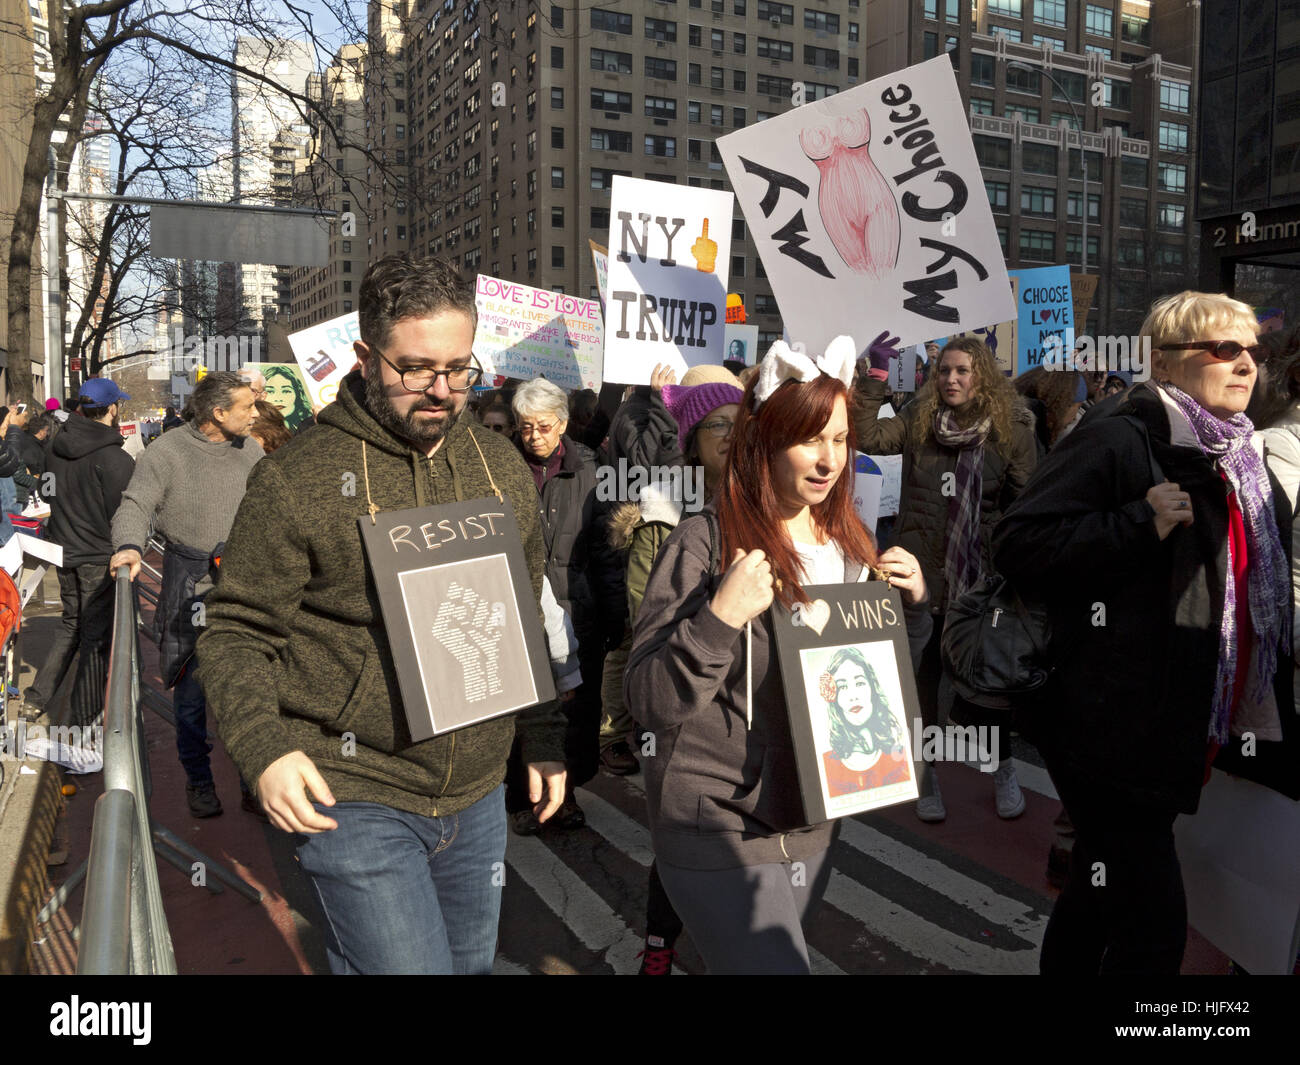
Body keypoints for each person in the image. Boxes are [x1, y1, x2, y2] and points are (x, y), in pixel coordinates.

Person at [196, 254, 565, 975]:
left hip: (479, 792)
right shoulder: (296, 478)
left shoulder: (499, 465)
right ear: (365, 357)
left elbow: (524, 607)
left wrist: (543, 733)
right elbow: (236, 629)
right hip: (356, 791)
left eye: (459, 368)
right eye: (417, 367)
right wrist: (264, 747)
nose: (441, 390)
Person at [993, 290, 1298, 974]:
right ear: (1163, 361)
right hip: (1107, 727)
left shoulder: (1242, 460)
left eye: (1253, 349)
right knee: (1155, 932)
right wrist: (1137, 522)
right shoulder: (1119, 434)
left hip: (1182, 726)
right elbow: (1018, 544)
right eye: (1222, 348)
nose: (1246, 362)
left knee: (1098, 893)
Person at [625, 337, 930, 974]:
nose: (828, 461)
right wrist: (718, 620)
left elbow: (887, 681)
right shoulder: (703, 543)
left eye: (841, 439)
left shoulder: (853, 542)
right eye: (809, 439)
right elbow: (648, 699)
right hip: (716, 819)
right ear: (765, 442)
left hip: (812, 815)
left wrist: (915, 606)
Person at [856, 334, 1037, 823]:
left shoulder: (1012, 430)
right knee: (924, 677)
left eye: (962, 371)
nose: (952, 379)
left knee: (988, 680)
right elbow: (868, 438)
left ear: (982, 376)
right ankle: (925, 772)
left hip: (983, 581)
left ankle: (1000, 768)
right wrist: (872, 378)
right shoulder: (918, 419)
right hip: (924, 574)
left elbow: (1028, 507)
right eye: (944, 371)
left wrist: (1006, 562)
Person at [606, 366, 744, 974]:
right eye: (719, 424)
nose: (735, 434)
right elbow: (647, 633)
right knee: (684, 837)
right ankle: (660, 946)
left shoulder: (777, 505)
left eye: (746, 422)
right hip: (688, 714)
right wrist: (715, 617)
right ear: (691, 439)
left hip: (749, 718)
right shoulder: (668, 514)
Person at [109, 372, 264, 818]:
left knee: (247, 688)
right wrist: (128, 545)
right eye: (246, 407)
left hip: (242, 580)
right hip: (188, 582)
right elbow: (136, 504)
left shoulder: (250, 450)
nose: (255, 414)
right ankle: (200, 781)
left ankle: (253, 781)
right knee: (191, 692)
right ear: (218, 413)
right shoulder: (166, 452)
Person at [508, 377, 625, 833]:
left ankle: (566, 795)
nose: (533, 436)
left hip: (578, 612)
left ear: (561, 424)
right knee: (524, 710)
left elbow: (608, 553)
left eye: (541, 426)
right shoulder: (505, 468)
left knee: (576, 711)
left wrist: (615, 615)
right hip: (519, 613)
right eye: (524, 427)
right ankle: (523, 797)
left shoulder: (592, 473)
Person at [22, 379, 135, 724]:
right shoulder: (115, 458)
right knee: (94, 638)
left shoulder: (54, 447)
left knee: (71, 626)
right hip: (97, 557)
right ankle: (83, 718)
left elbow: (48, 491)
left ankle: (36, 700)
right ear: (112, 409)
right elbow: (126, 514)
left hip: (65, 551)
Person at [820, 646, 911, 796]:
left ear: (872, 688)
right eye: (842, 686)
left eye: (860, 683)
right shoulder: (824, 767)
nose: (853, 696)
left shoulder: (903, 761)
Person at [263, 363, 315, 432]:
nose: (278, 399)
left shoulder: (310, 427)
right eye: (270, 391)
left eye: (286, 391)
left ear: (297, 395)